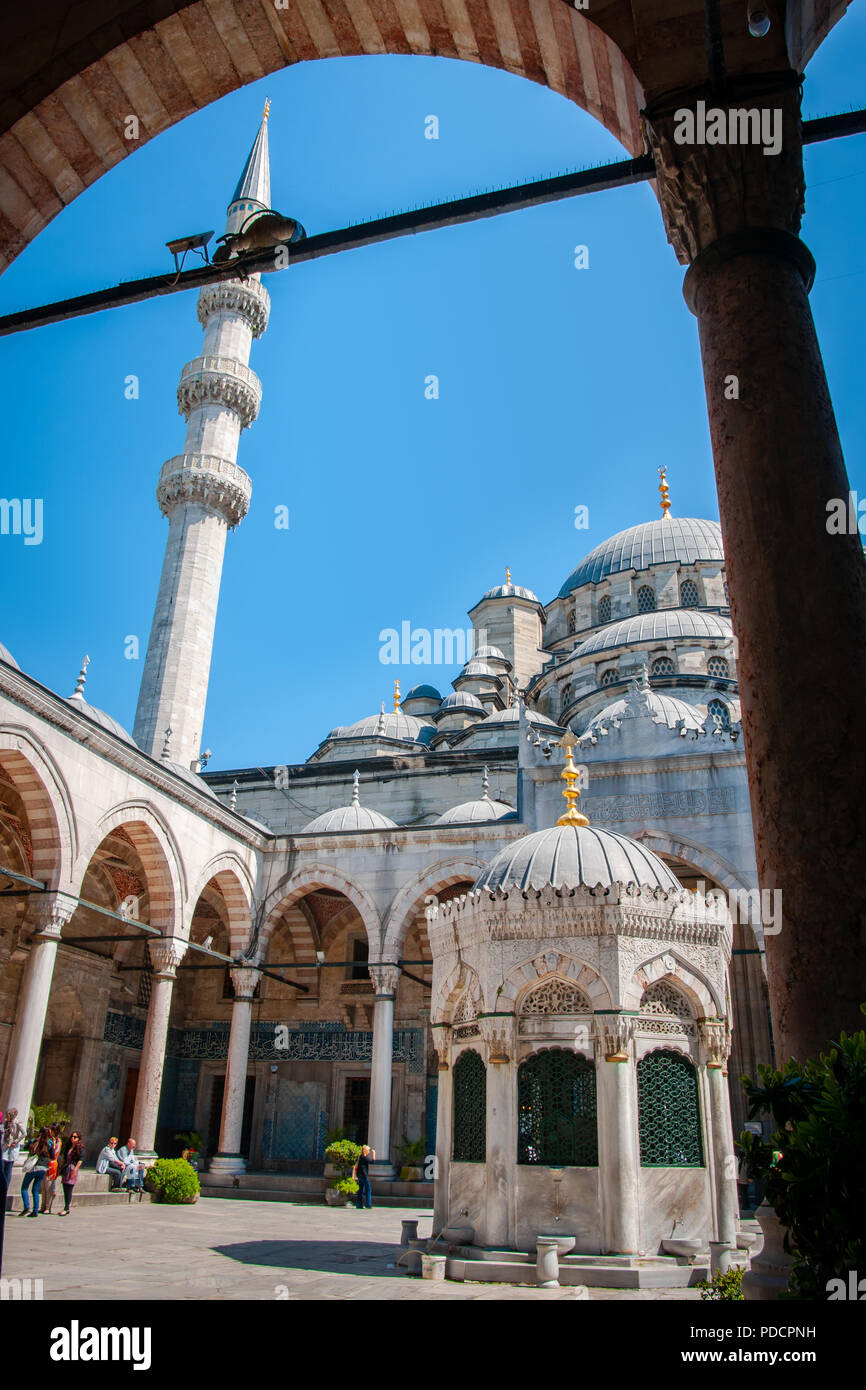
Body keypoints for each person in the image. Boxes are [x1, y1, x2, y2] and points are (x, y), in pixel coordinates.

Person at [19, 1127, 51, 1216]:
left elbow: (26, 1147)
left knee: (24, 1188)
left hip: (34, 1166)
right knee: (35, 1189)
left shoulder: (34, 1140)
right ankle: (35, 1210)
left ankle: (26, 1207)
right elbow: (52, 1155)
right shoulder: (49, 1143)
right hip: (43, 1168)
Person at [59, 1132, 84, 1215]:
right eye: (72, 1136)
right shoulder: (68, 1147)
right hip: (66, 1168)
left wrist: (75, 1170)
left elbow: (80, 1160)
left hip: (73, 1169)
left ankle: (66, 1208)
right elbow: (64, 1158)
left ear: (78, 1138)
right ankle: (66, 1207)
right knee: (65, 1187)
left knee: (69, 1188)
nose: (72, 1138)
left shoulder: (79, 1148)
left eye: (75, 1137)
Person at [40, 1123, 62, 1214]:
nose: (50, 1132)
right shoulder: (48, 1140)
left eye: (51, 1130)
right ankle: (43, 1205)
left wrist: (52, 1146)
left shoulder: (58, 1141)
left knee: (49, 1187)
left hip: (52, 1165)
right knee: (43, 1186)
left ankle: (47, 1207)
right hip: (45, 1163)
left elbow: (55, 1154)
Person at [1, 1108, 25, 1187]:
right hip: (5, 1146)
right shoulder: (6, 1122)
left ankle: (5, 1186)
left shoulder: (17, 1123)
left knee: (8, 1167)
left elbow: (24, 1134)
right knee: (3, 1165)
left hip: (12, 1147)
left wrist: (16, 1141)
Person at [352, 1144, 375, 1210]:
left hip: (360, 1175)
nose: (369, 1152)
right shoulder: (364, 1157)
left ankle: (359, 1204)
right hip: (364, 1176)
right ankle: (368, 1204)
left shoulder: (361, 1157)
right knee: (368, 1189)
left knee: (361, 1190)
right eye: (368, 1150)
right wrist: (374, 1154)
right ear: (365, 1150)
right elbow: (372, 1162)